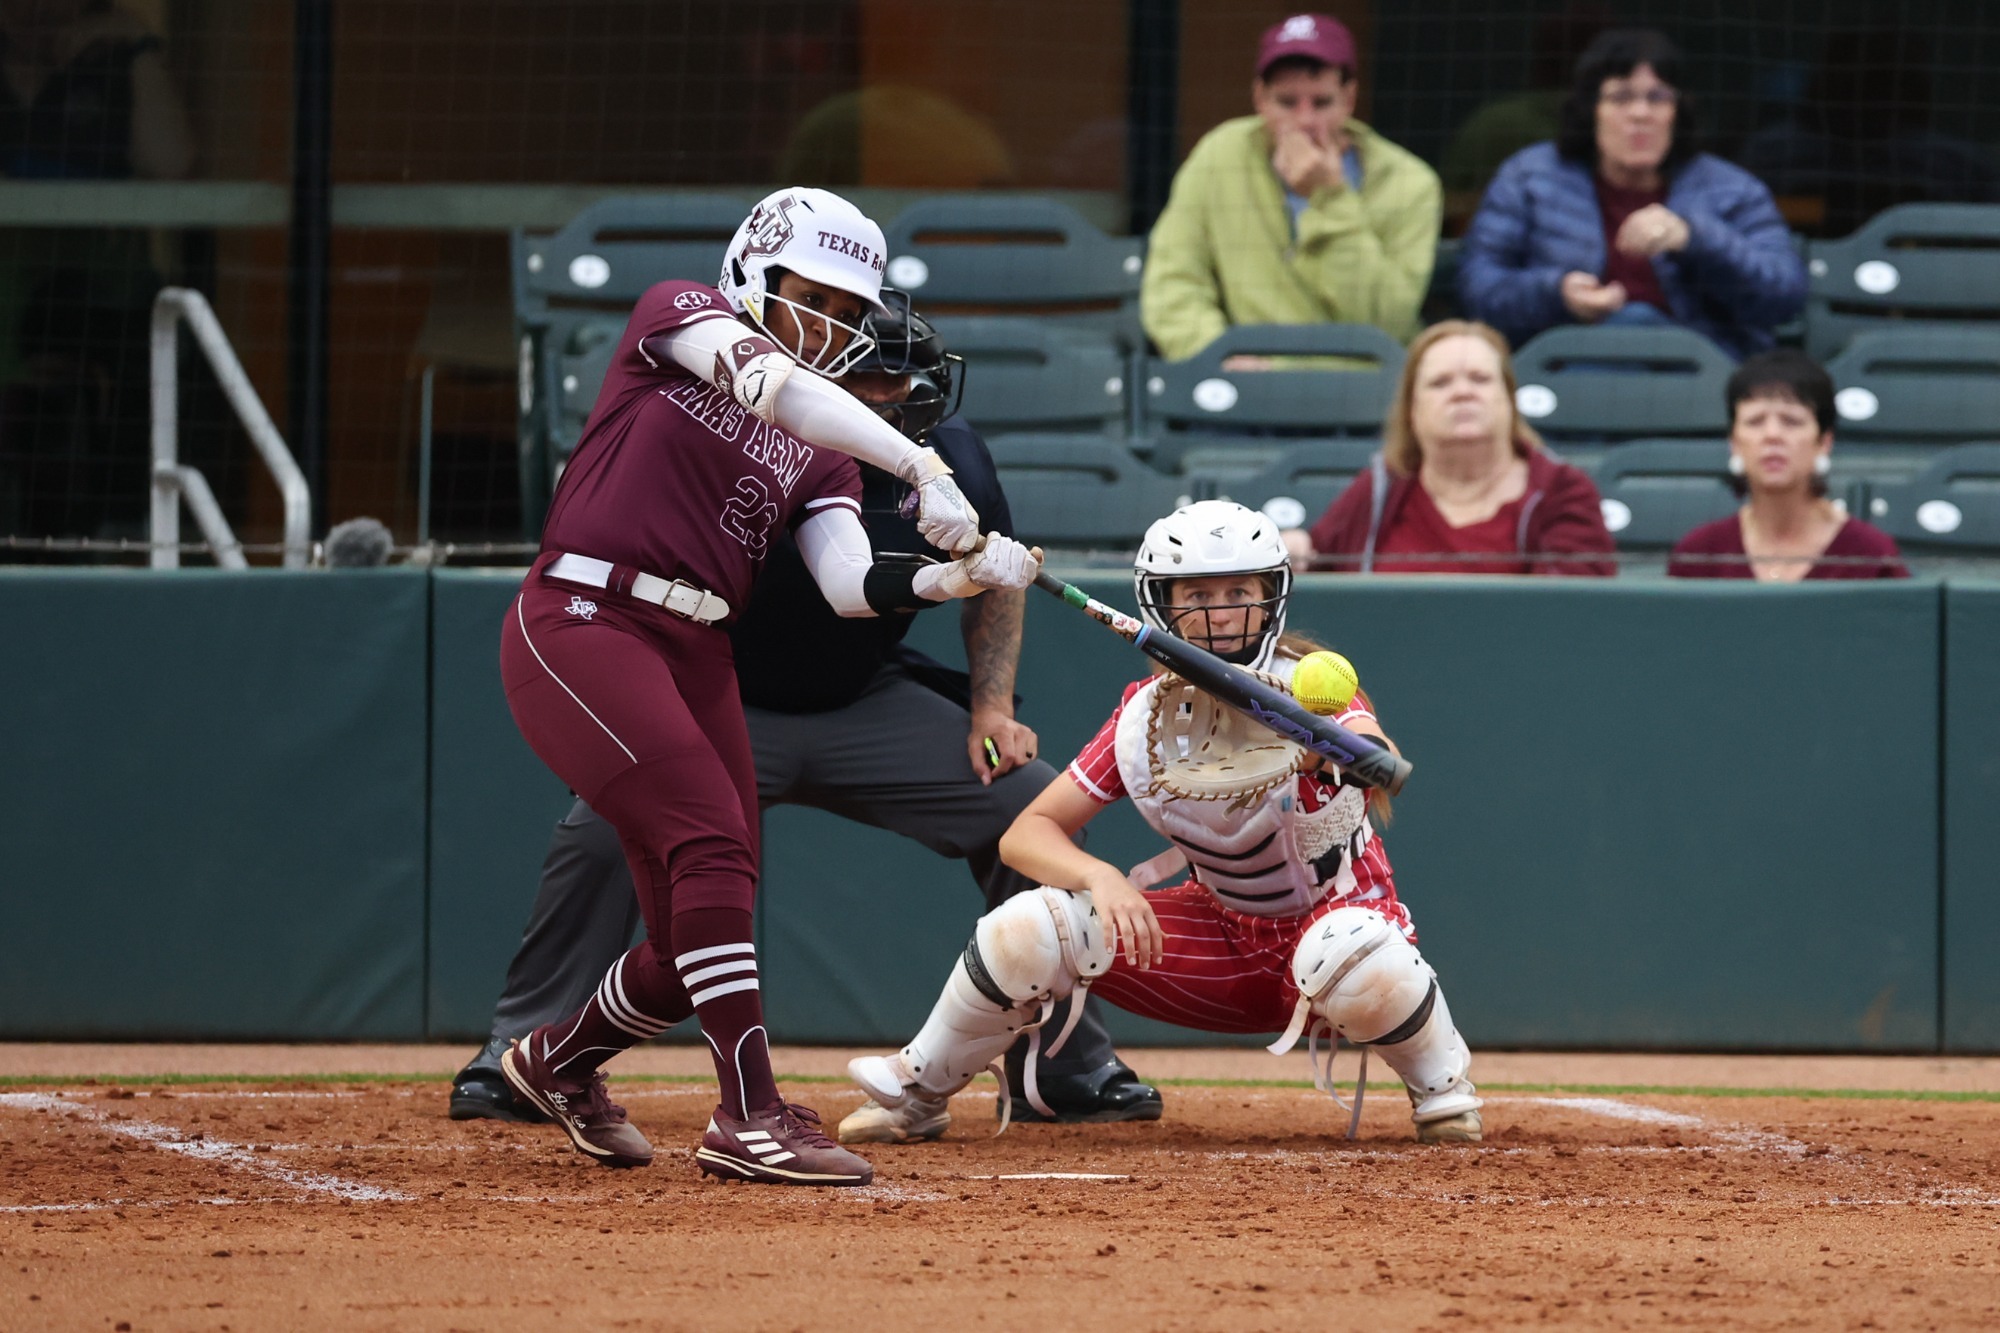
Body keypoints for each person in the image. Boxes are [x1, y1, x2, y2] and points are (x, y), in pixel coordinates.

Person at [451, 292, 1159, 1131]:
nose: (890, 394)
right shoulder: (760, 437)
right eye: (869, 375)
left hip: (865, 699)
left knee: (1023, 799)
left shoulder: (956, 456)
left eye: (905, 377)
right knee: (605, 830)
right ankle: (521, 1049)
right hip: (717, 695)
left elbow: (995, 592)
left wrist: (991, 704)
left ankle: (1066, 1066)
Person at [494, 186, 1043, 1189]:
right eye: (810, 296)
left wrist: (954, 577)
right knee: (707, 840)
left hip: (699, 645)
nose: (826, 325)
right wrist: (922, 465)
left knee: (696, 921)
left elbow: (848, 585)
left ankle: (557, 1061)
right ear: (755, 271)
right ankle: (747, 1114)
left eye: (846, 310)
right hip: (586, 616)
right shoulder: (679, 317)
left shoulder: (827, 446)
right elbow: (773, 387)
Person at [836, 500, 1484, 1149]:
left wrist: (1326, 746)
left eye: (1239, 591)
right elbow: (1025, 834)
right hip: (1218, 946)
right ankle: (916, 1094)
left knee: (1349, 945)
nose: (1222, 611)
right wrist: (1101, 877)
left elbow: (1375, 751)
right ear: (1163, 605)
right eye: (1199, 593)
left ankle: (1443, 1089)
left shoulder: (1315, 686)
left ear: (1271, 597)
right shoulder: (1143, 719)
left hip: (1335, 942)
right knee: (1029, 925)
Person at [1457, 28, 1806, 361]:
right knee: (1630, 321)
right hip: (1566, 374)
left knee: (1638, 319)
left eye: (1657, 97)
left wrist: (1695, 239)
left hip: (1701, 383)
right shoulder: (1528, 177)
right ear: (1590, 109)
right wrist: (1556, 293)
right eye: (1621, 97)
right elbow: (1477, 289)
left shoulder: (1733, 190)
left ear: (1678, 112)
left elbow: (1784, 296)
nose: (1640, 114)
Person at [0, 0, 195, 548]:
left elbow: (175, 161)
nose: (29, 12)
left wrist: (136, 43)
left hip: (103, 291)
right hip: (8, 288)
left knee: (153, 348)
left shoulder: (110, 65)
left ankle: (123, 530)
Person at [1139, 13, 1441, 362]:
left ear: (1349, 99)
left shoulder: (1410, 183)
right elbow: (1173, 284)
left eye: (1322, 102)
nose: (1305, 120)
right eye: (1286, 102)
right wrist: (1217, 356)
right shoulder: (1219, 157)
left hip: (1361, 391)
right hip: (1245, 386)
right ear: (1259, 98)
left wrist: (1330, 198)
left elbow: (1386, 323)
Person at [1284, 320, 1615, 575]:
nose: (1462, 392)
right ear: (1413, 410)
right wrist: (1296, 552)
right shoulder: (1379, 490)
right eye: (1440, 383)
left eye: (1480, 379)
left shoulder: (1563, 492)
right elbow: (1317, 570)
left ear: (1510, 400)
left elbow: (1574, 618)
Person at [1669, 348, 1906, 580]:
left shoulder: (1871, 556)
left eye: (1791, 421)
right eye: (1755, 421)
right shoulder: (1699, 555)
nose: (1772, 435)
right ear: (1734, 443)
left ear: (1824, 441)